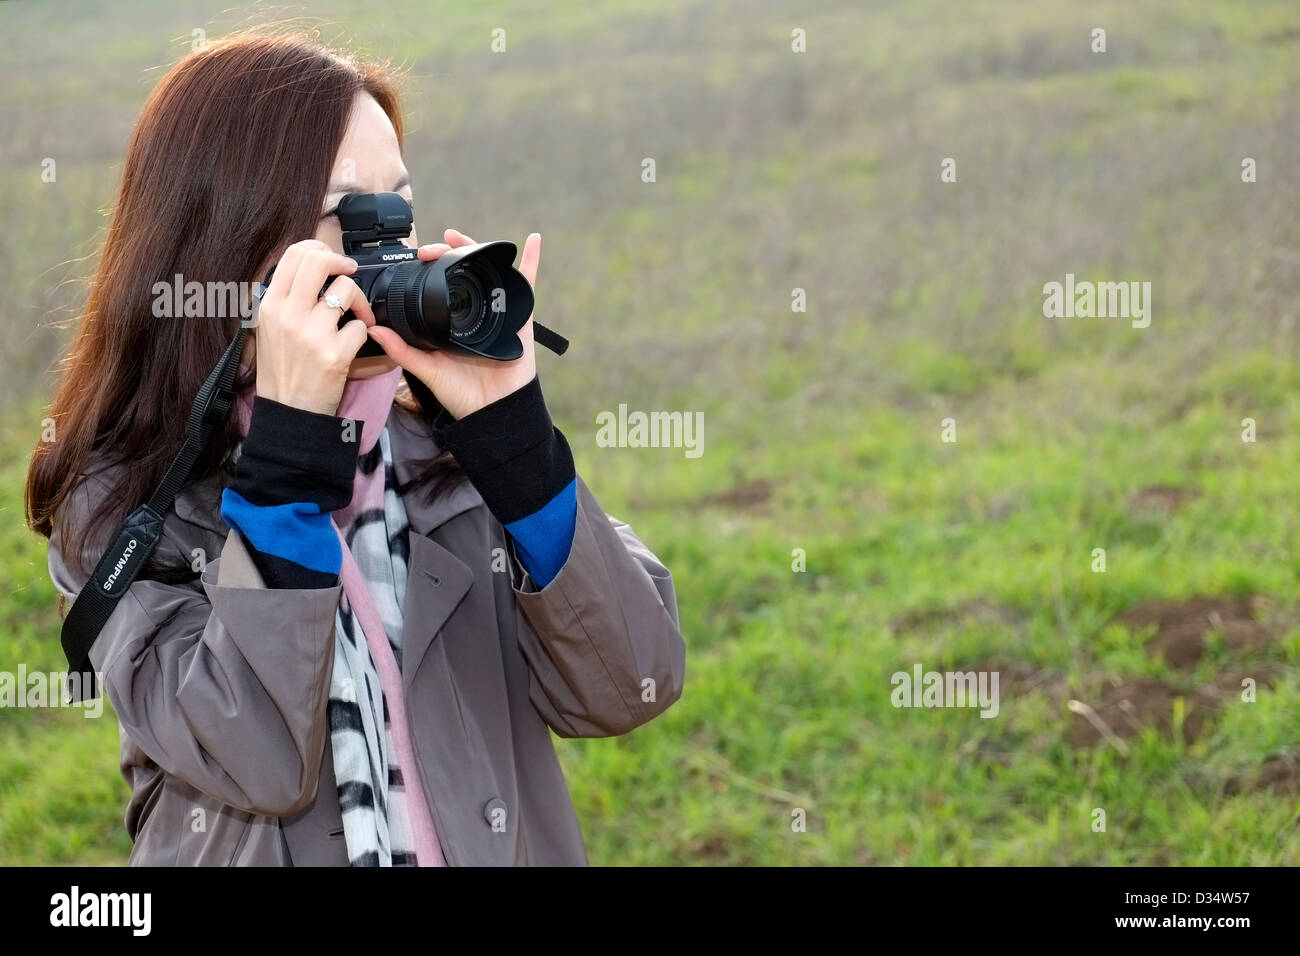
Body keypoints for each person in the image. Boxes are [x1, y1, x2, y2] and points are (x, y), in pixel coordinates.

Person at [25, 27, 685, 866]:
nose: (388, 246)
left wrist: (517, 453)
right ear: (226, 240)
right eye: (346, 213)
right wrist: (288, 463)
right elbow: (254, 757)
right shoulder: (126, 501)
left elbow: (631, 686)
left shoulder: (440, 443)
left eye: (398, 205)